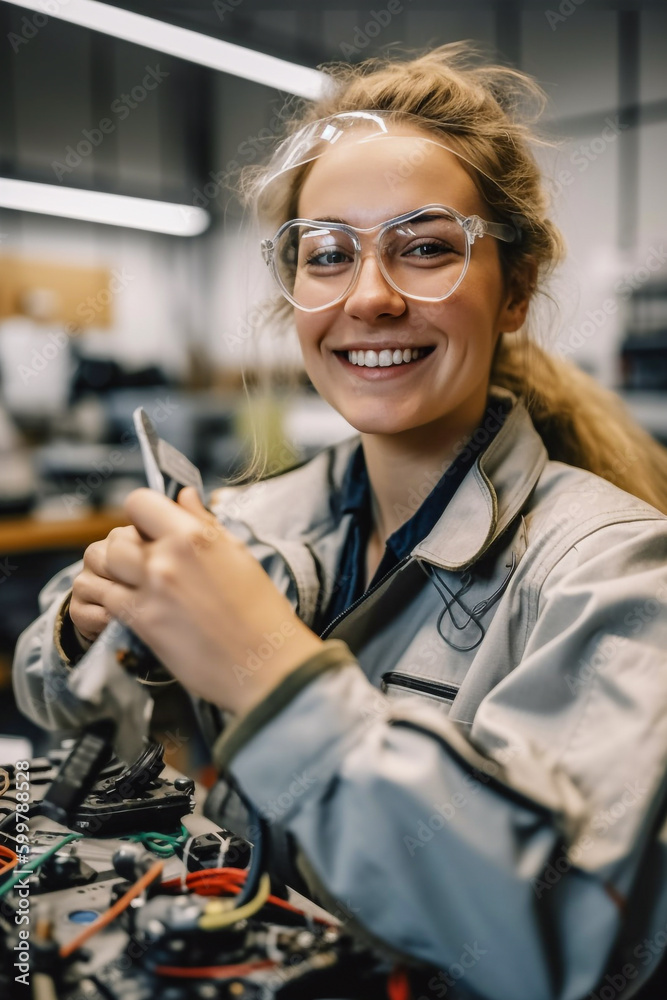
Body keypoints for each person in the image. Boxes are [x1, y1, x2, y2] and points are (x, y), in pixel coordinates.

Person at [13, 44, 667, 1000]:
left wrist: (266, 669)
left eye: (428, 246)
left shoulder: (612, 575)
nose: (368, 296)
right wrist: (84, 631)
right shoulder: (251, 518)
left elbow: (555, 944)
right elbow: (58, 705)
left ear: (515, 289)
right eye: (327, 254)